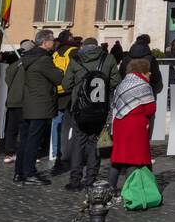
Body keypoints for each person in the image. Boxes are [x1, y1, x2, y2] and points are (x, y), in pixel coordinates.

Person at [63, 37, 121, 190]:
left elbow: (66, 84)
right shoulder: (108, 58)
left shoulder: (76, 59)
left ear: (83, 46)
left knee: (78, 142)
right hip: (100, 109)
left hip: (80, 109)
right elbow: (116, 81)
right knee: (95, 142)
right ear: (97, 46)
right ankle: (91, 179)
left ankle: (75, 180)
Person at [108, 58, 157, 207]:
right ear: (143, 71)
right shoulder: (143, 85)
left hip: (119, 123)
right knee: (134, 158)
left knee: (118, 157)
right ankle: (130, 191)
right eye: (148, 72)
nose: (150, 74)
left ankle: (110, 189)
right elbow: (150, 109)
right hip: (136, 126)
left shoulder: (123, 83)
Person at [18, 30, 63, 185]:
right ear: (45, 42)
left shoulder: (29, 57)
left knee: (25, 139)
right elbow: (58, 78)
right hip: (40, 105)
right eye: (52, 40)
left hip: (29, 103)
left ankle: (20, 171)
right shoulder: (43, 59)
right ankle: (29, 172)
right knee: (33, 140)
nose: (54, 43)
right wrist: (60, 70)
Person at [49, 32, 76, 171]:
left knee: (57, 122)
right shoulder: (73, 51)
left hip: (57, 90)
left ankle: (55, 152)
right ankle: (71, 153)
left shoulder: (56, 52)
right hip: (70, 91)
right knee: (74, 123)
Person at [2, 41, 32, 164]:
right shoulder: (28, 63)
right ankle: (24, 152)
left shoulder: (13, 64)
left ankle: (9, 152)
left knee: (11, 128)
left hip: (12, 100)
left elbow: (7, 79)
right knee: (25, 128)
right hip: (23, 100)